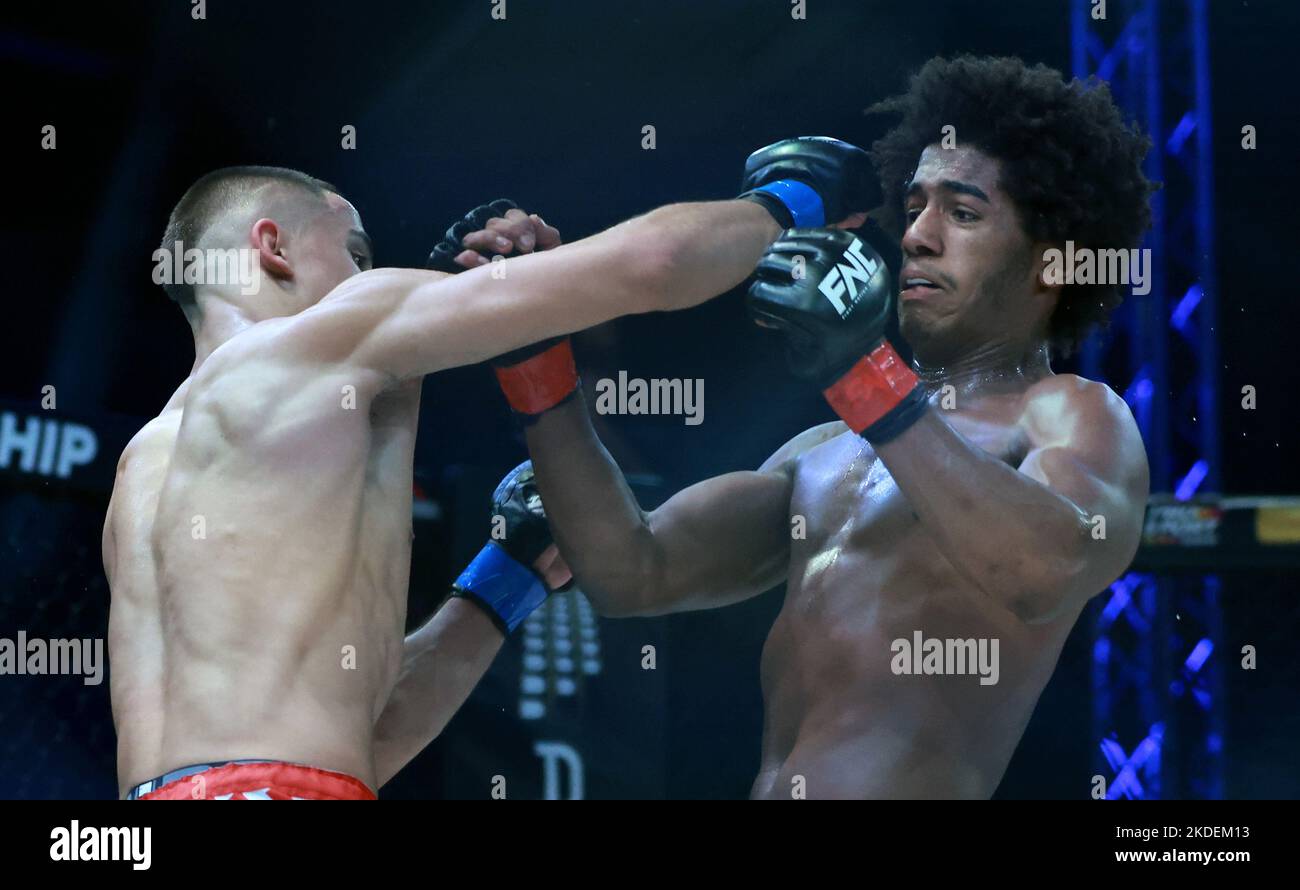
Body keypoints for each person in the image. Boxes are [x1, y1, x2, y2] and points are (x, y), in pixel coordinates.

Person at [104, 145, 870, 799]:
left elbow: (355, 746)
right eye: (359, 255)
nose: (372, 276)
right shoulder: (315, 342)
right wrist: (796, 197)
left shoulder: (143, 468)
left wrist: (507, 577)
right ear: (273, 247)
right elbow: (649, 266)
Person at [501, 56, 1155, 798]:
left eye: (963, 213)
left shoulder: (1070, 412)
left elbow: (1049, 570)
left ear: (1047, 264)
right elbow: (630, 569)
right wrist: (533, 350)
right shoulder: (824, 451)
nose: (917, 236)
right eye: (914, 207)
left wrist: (866, 378)